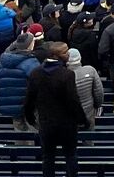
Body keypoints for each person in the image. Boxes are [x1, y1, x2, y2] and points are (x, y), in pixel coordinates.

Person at [26, 41, 92, 177]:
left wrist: (30, 117)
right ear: (57, 56)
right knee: (70, 156)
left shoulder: (35, 73)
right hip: (66, 125)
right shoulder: (67, 75)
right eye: (65, 52)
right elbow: (73, 101)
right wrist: (83, 120)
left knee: (48, 158)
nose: (68, 54)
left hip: (46, 124)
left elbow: (29, 99)